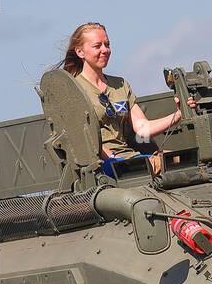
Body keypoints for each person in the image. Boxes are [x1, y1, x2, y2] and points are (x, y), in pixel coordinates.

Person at [62, 22, 188, 176]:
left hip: (131, 157)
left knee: (182, 159)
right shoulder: (74, 90)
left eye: (107, 44)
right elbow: (83, 139)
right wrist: (113, 159)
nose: (105, 50)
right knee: (154, 165)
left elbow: (143, 128)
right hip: (102, 164)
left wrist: (179, 114)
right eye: (97, 46)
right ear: (80, 52)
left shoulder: (120, 85)